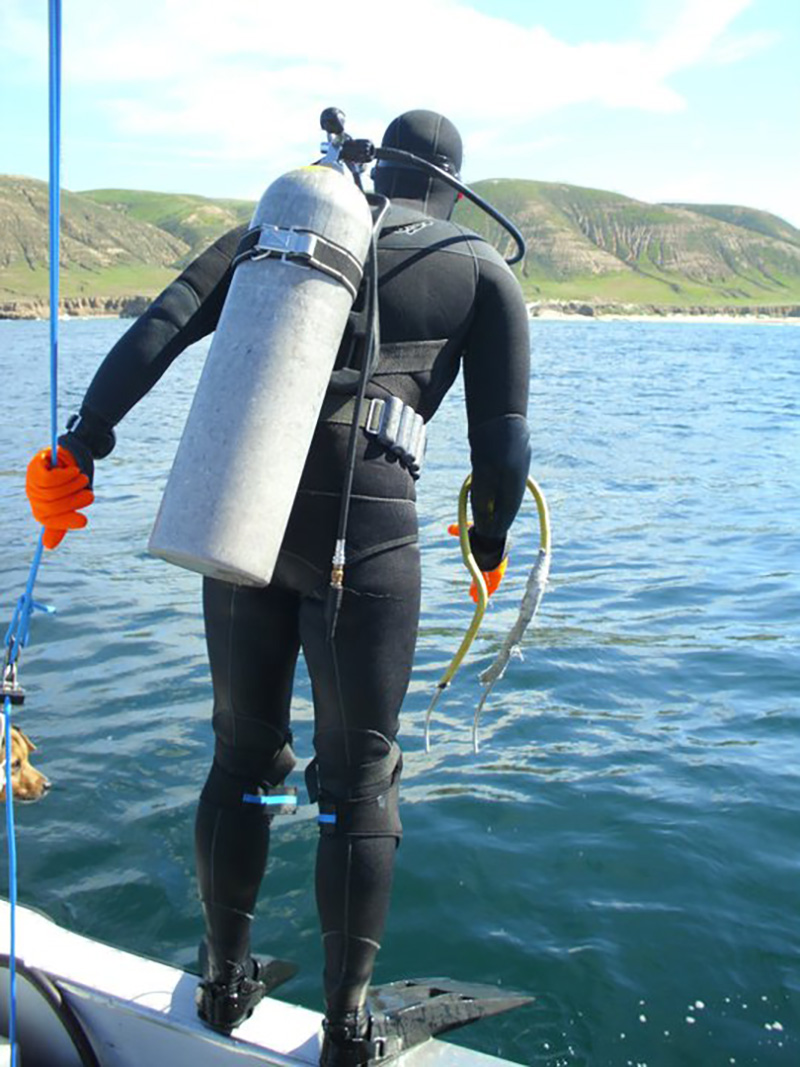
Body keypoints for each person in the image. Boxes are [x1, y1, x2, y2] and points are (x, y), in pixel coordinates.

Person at [25, 109, 531, 1065]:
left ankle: (222, 981)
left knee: (241, 754)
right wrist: (491, 536)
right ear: (457, 188)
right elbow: (503, 448)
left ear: (379, 170)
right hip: (368, 522)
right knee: (360, 776)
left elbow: (164, 323)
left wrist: (80, 446)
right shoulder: (483, 270)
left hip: (244, 494)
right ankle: (348, 1027)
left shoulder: (287, 233)